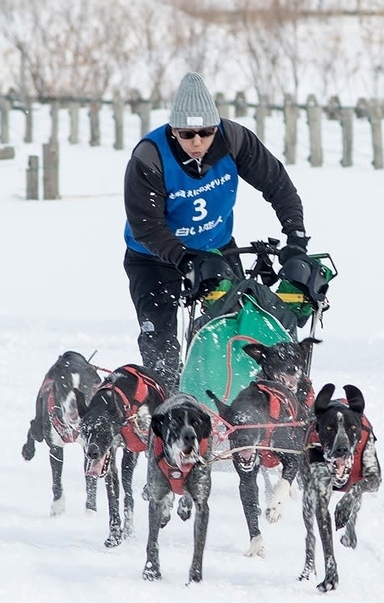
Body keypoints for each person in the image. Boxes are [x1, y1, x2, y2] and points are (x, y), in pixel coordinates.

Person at [123, 72, 310, 393]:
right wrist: (184, 259)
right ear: (173, 131)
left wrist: (295, 237)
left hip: (217, 250)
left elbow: (277, 184)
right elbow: (146, 226)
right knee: (161, 343)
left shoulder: (234, 141)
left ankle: (241, 401)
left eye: (206, 132)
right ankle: (169, 408)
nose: (197, 142)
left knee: (237, 328)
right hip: (154, 258)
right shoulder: (149, 157)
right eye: (187, 134)